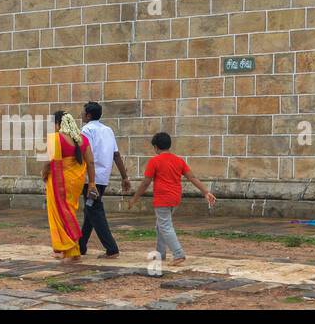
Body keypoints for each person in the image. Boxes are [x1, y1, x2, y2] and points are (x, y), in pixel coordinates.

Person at [127, 132, 216, 265]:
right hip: (175, 198)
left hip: (162, 198)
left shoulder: (154, 161)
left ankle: (178, 254)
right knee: (160, 226)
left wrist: (134, 198)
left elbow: (146, 182)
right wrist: (205, 192)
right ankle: (160, 254)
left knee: (165, 226)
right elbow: (192, 177)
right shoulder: (179, 160)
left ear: (156, 147)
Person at [42, 111, 96, 260]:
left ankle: (71, 249)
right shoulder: (82, 139)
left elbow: (49, 162)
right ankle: (71, 249)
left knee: (62, 213)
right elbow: (90, 162)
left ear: (59, 124)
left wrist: (43, 174)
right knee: (69, 211)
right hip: (76, 181)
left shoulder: (56, 139)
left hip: (59, 182)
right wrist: (92, 182)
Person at [78, 101, 129, 258]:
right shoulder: (108, 130)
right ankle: (81, 246)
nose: (81, 114)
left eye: (82, 112)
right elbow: (116, 155)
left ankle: (111, 248)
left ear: (88, 115)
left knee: (94, 210)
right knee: (90, 210)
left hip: (90, 178)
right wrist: (124, 176)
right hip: (103, 177)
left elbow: (87, 153)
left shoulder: (86, 130)